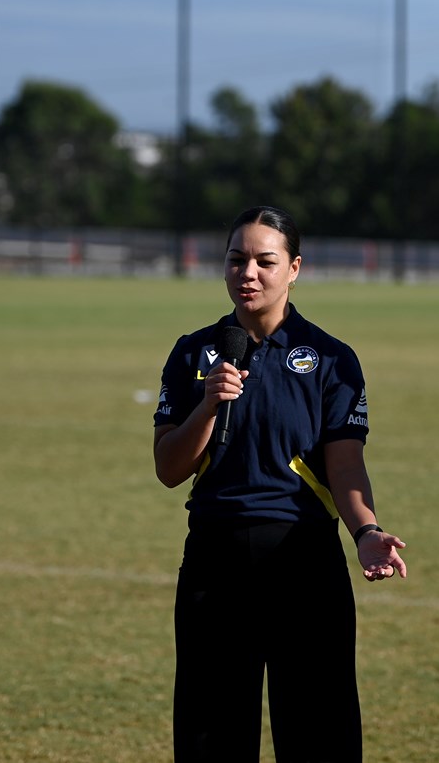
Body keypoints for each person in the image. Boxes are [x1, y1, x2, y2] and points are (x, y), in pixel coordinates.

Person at [153, 205, 407, 762]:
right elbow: (169, 469)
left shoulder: (331, 359)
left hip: (303, 561)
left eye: (265, 261)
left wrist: (367, 530)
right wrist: (207, 406)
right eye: (237, 259)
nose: (249, 273)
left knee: (320, 733)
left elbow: (345, 466)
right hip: (214, 561)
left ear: (294, 268)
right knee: (210, 735)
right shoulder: (193, 354)